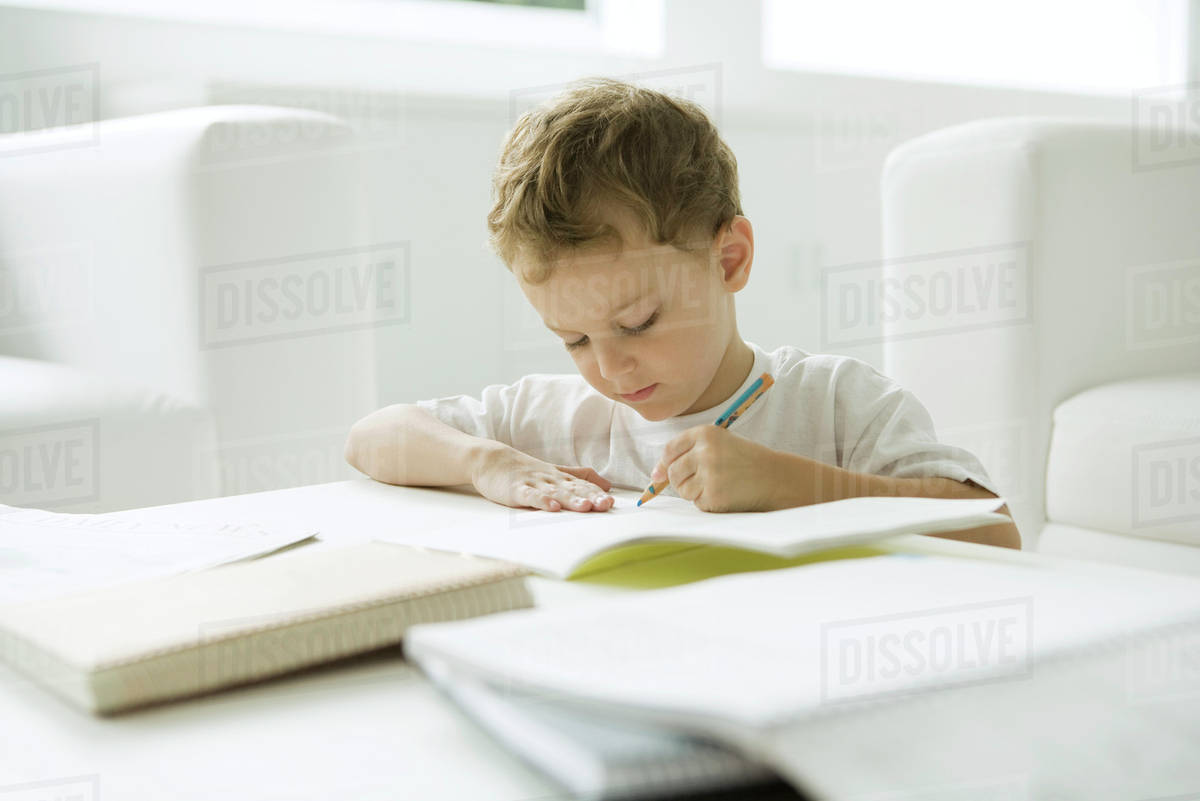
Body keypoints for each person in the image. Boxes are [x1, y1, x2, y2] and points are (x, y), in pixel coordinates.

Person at [344, 78, 1020, 549]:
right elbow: (372, 437)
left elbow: (994, 527)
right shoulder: (555, 419)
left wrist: (795, 485)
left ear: (728, 261)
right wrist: (486, 462)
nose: (608, 367)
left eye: (637, 323)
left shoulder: (837, 404)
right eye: (573, 338)